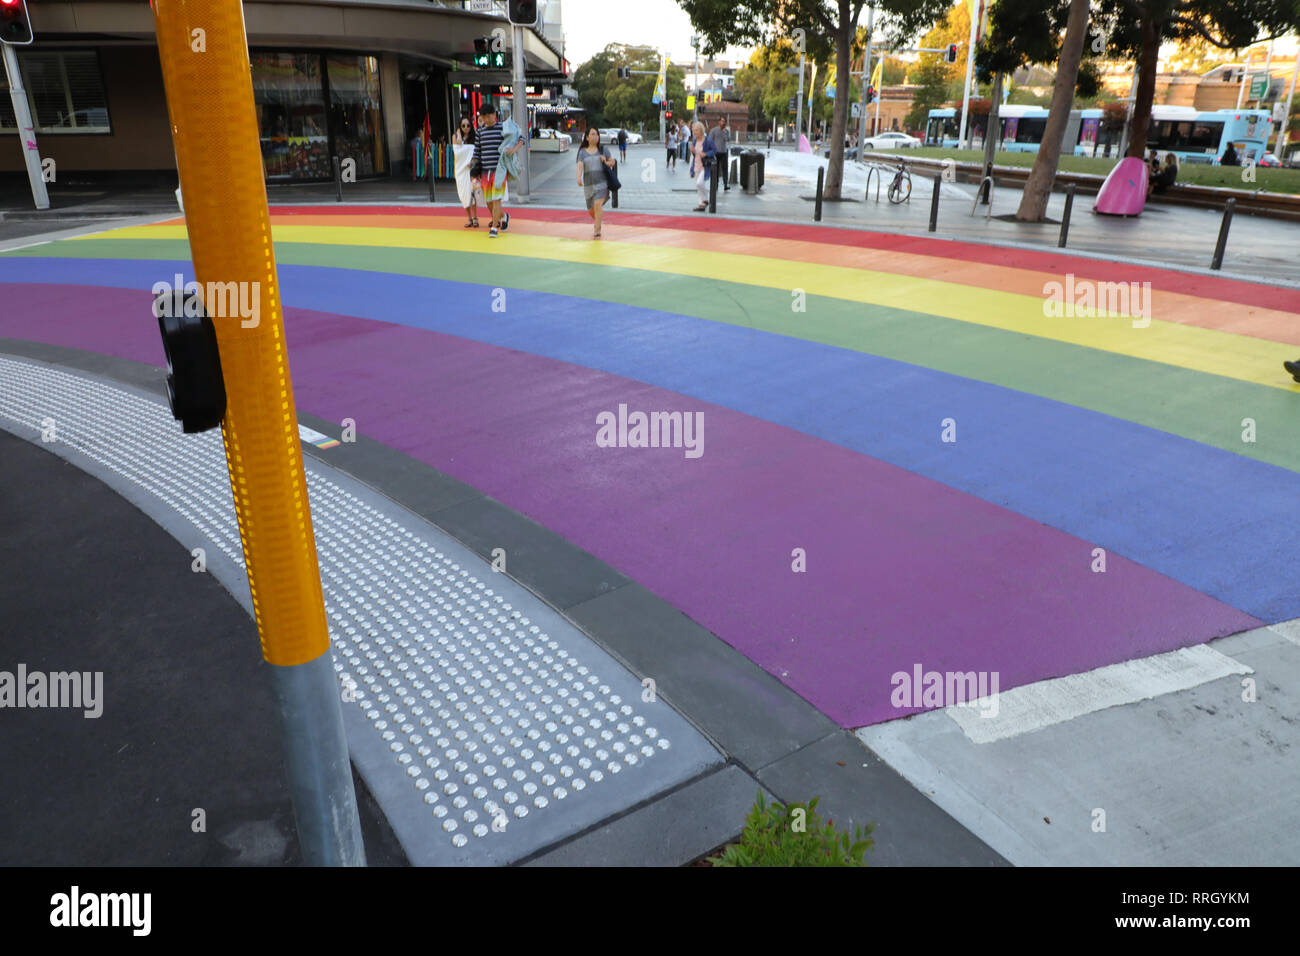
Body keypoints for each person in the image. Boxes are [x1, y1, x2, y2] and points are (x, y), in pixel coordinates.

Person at [473, 101, 524, 238]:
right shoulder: (480, 131)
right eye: (484, 117)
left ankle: (494, 228)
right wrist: (473, 169)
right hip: (485, 171)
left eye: (488, 116)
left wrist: (513, 150)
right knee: (489, 202)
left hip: (499, 170)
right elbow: (477, 151)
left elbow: (521, 137)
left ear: (494, 115)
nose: (486, 119)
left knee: (496, 199)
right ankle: (504, 216)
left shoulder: (504, 128)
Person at [576, 126, 617, 239]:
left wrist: (606, 161)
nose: (596, 136)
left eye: (597, 134)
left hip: (602, 184)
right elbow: (580, 166)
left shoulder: (603, 150)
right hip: (589, 185)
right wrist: (578, 177)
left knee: (598, 205)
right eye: (593, 134)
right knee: (591, 210)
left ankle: (597, 230)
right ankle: (598, 221)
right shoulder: (582, 152)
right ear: (587, 137)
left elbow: (612, 162)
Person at [451, 115, 480, 228]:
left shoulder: (475, 137)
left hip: (471, 170)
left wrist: (472, 162)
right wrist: (458, 136)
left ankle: (475, 217)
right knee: (463, 194)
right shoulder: (455, 136)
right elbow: (456, 152)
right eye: (463, 125)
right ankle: (469, 218)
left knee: (471, 194)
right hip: (460, 171)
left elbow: (477, 152)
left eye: (468, 125)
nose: (466, 127)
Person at [689, 120, 716, 212]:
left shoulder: (708, 140)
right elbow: (695, 154)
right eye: (693, 130)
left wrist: (706, 154)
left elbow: (714, 150)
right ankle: (701, 204)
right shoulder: (695, 140)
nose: (694, 132)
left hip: (705, 165)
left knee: (699, 183)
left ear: (701, 130)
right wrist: (692, 151)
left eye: (696, 130)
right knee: (698, 186)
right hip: (696, 164)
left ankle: (705, 200)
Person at [708, 114, 730, 191]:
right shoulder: (713, 130)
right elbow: (709, 141)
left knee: (725, 168)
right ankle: (715, 184)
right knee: (715, 169)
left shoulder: (726, 131)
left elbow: (727, 139)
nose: (723, 123)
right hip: (716, 152)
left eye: (724, 121)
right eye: (722, 121)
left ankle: (725, 184)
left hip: (724, 152)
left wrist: (724, 132)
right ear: (719, 122)